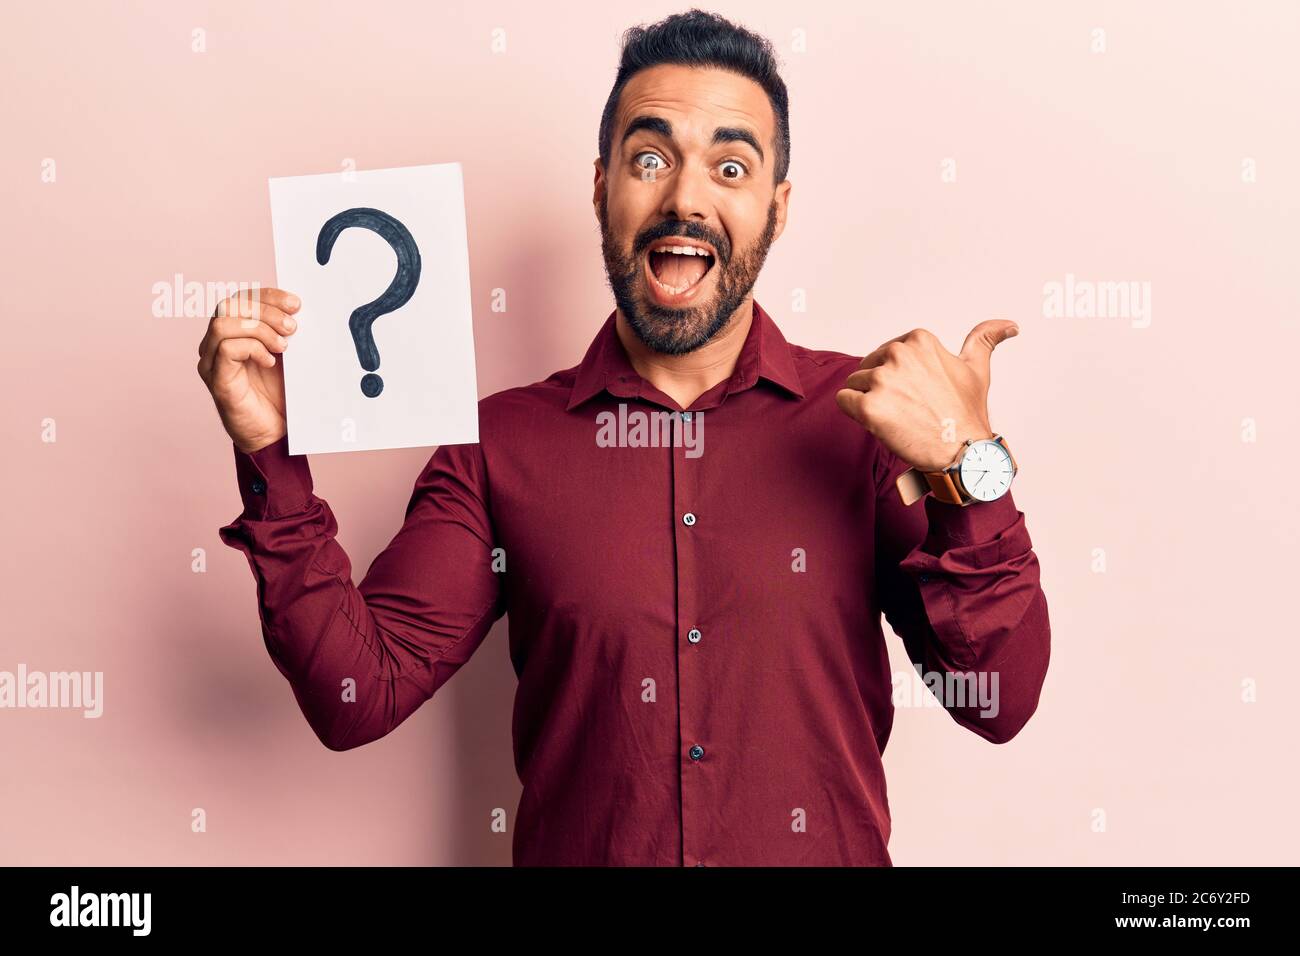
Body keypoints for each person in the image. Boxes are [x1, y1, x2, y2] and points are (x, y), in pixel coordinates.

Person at [196, 9, 1050, 866]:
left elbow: (1000, 703)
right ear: (601, 188)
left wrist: (967, 466)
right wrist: (272, 454)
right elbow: (357, 695)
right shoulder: (497, 447)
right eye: (650, 160)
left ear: (776, 209)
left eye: (729, 165)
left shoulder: (866, 423)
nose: (685, 198)